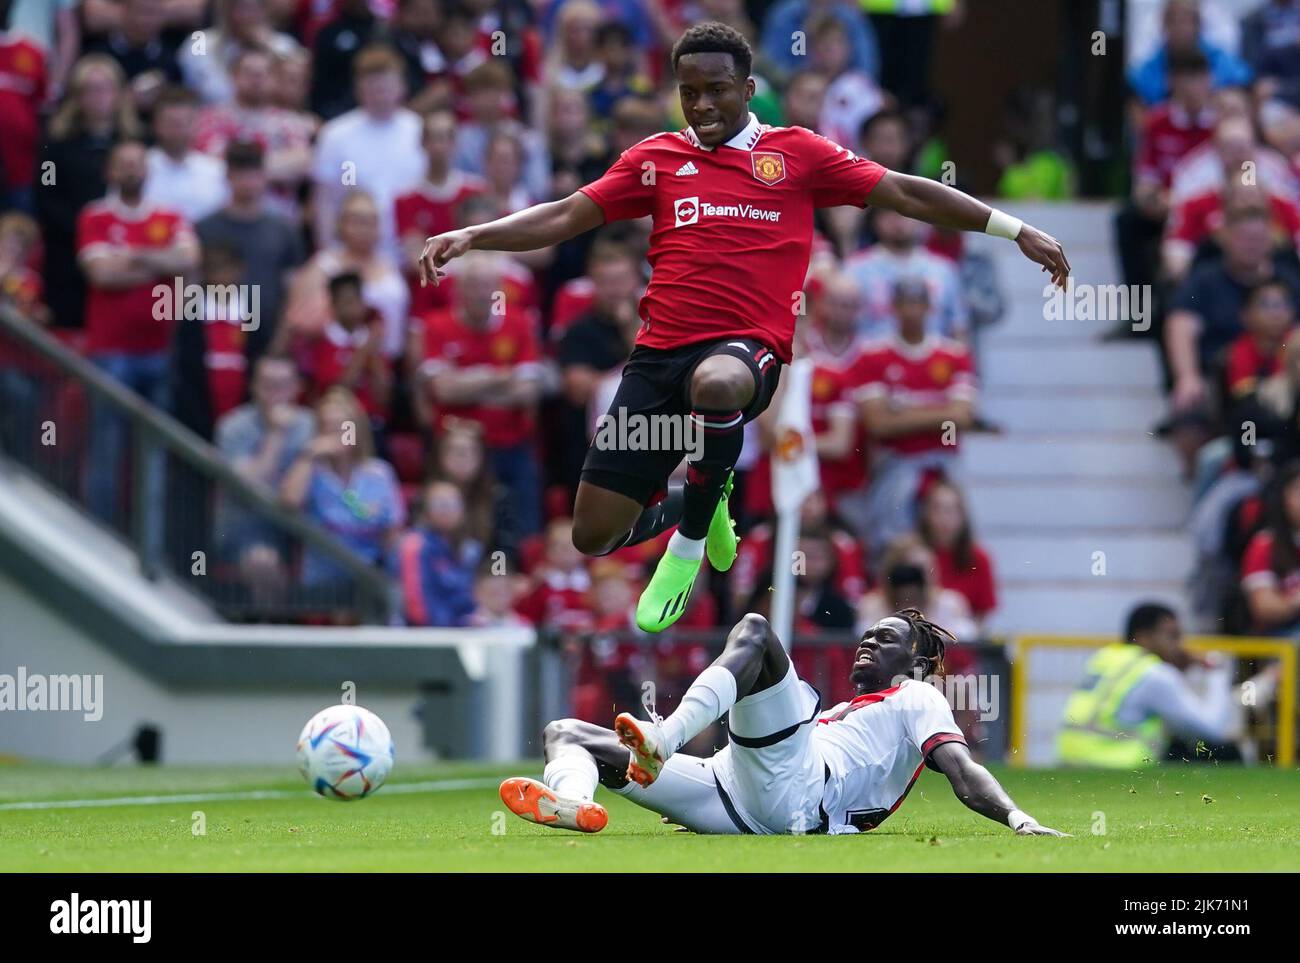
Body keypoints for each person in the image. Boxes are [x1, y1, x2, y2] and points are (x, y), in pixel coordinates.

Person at [418, 22, 1070, 634]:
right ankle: (706, 493)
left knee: (719, 382)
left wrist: (1013, 228)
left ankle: (690, 540)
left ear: (750, 89)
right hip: (656, 363)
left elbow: (905, 192)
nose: (701, 104)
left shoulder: (796, 155)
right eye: (689, 91)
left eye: (716, 89)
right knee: (594, 533)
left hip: (746, 352)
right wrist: (475, 234)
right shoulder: (658, 158)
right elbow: (565, 215)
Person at [499, 609, 1068, 836]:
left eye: (886, 638)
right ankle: (573, 804)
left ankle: (663, 737)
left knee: (754, 632)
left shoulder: (917, 696)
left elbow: (961, 770)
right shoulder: (848, 712)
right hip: (729, 796)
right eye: (866, 635)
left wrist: (1017, 818)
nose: (868, 642)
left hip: (797, 789)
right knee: (564, 733)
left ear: (916, 662)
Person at [1058, 603, 1252, 767]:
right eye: (1172, 636)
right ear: (1143, 637)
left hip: (1070, 759)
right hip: (1117, 765)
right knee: (1225, 752)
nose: (1180, 645)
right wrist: (1216, 672)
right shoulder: (1155, 674)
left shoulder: (1106, 658)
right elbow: (1213, 730)